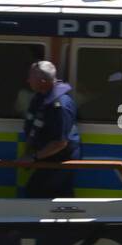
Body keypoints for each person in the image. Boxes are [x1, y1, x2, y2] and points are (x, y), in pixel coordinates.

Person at [21, 61, 82, 198]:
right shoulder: (40, 98)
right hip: (48, 158)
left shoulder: (60, 106)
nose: (27, 80)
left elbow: (60, 143)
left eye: (31, 77)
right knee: (60, 195)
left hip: (61, 160)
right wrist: (29, 153)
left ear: (42, 81)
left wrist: (34, 157)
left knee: (35, 192)